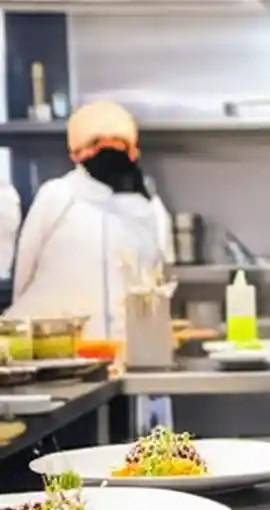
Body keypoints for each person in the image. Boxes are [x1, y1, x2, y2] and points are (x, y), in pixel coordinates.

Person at [7, 101, 173, 339]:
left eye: (118, 142)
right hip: (58, 349)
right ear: (75, 154)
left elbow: (160, 285)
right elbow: (24, 275)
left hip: (126, 351)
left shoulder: (152, 210)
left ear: (134, 152)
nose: (108, 149)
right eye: (96, 143)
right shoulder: (57, 196)